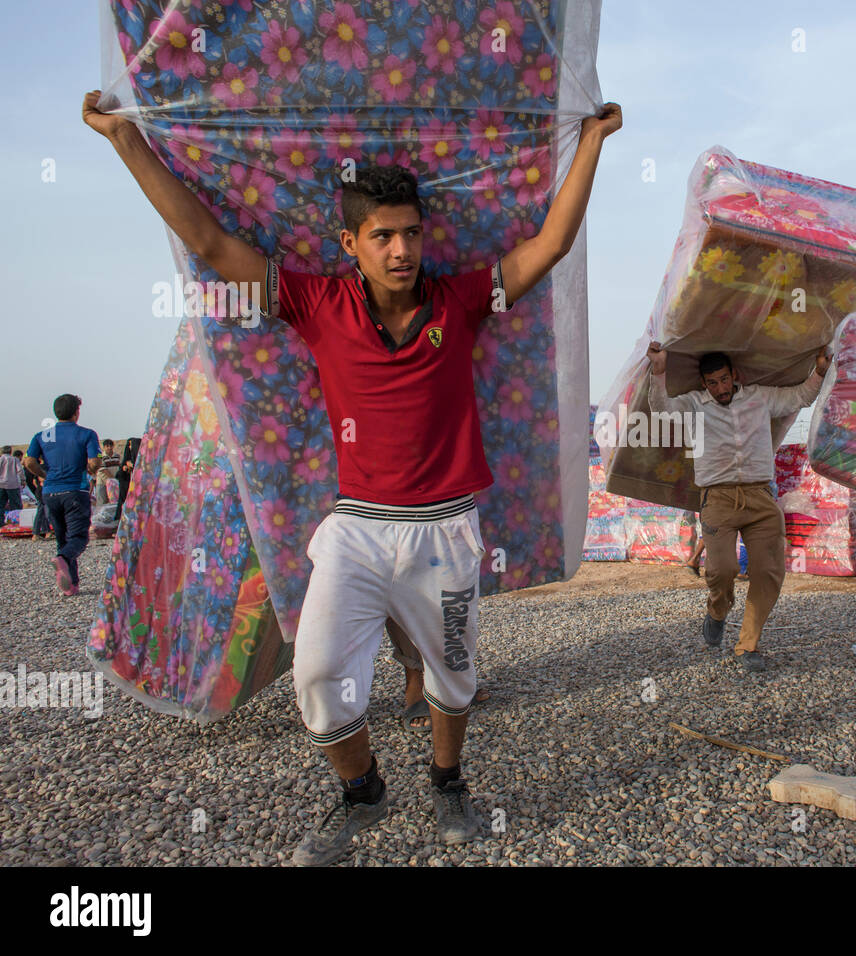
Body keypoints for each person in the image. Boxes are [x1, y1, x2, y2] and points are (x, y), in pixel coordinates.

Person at [84, 88, 621, 863]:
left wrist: (594, 144)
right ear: (351, 242)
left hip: (447, 532)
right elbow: (207, 239)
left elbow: (550, 246)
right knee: (320, 678)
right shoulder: (315, 302)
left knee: (455, 677)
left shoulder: (462, 300)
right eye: (382, 237)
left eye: (410, 234)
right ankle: (362, 794)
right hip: (358, 531)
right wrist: (124, 140)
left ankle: (447, 783)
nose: (401, 250)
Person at [646, 343, 830, 671]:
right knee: (721, 571)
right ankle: (718, 610)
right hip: (717, 499)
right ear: (704, 384)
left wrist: (819, 370)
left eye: (723, 380)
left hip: (761, 497)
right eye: (712, 383)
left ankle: (748, 645)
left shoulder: (760, 397)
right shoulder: (694, 405)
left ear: (734, 376)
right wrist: (659, 371)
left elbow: (800, 396)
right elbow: (662, 409)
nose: (719, 389)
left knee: (769, 571)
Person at [23, 394, 101, 595]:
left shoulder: (41, 436)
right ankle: (64, 560)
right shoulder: (87, 434)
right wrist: (92, 468)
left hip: (50, 493)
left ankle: (71, 585)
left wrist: (44, 474)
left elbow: (29, 461)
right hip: (75, 490)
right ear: (77, 412)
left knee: (62, 539)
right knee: (79, 538)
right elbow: (95, 461)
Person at [112, 437, 140, 523]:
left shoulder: (115, 455)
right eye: (107, 446)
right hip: (105, 480)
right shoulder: (102, 455)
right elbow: (101, 459)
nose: (130, 447)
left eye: (110, 446)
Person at [0, 447, 23, 517]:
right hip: (13, 485)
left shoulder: (0, 459)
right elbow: (20, 471)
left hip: (1, 485)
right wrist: (23, 480)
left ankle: (1, 523)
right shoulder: (15, 459)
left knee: (1, 505)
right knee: (15, 505)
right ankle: (15, 521)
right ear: (10, 452)